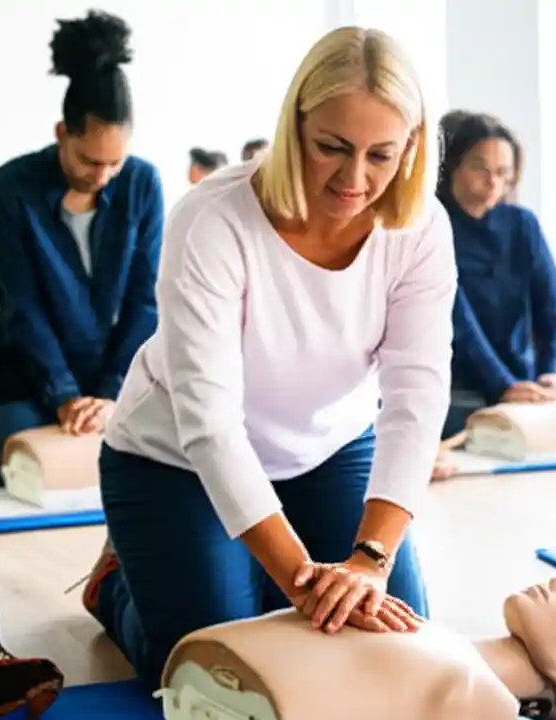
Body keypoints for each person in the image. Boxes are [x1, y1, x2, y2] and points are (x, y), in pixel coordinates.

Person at [76, 26, 454, 690]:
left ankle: (239, 569)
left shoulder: (421, 227)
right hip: (174, 461)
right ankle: (117, 588)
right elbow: (212, 427)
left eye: (381, 155)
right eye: (332, 148)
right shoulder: (213, 218)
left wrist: (368, 561)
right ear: (294, 126)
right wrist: (304, 584)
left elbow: (416, 402)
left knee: (397, 648)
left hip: (328, 451)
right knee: (220, 670)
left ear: (411, 148)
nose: (354, 178)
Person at [0, 10, 164, 488]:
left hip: (111, 374)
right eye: (89, 160)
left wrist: (109, 393)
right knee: (5, 464)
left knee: (160, 466)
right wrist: (64, 395)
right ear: (62, 134)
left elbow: (145, 301)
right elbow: (21, 306)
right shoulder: (10, 188)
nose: (101, 176)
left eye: (114, 163)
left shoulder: (142, 183)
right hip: (25, 372)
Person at [436, 111, 556, 439]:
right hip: (465, 380)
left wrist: (545, 374)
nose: (492, 182)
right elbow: (461, 326)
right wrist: (504, 386)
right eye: (480, 168)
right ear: (453, 166)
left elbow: (550, 307)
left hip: (522, 371)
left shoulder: (522, 224)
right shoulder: (434, 227)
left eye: (503, 172)